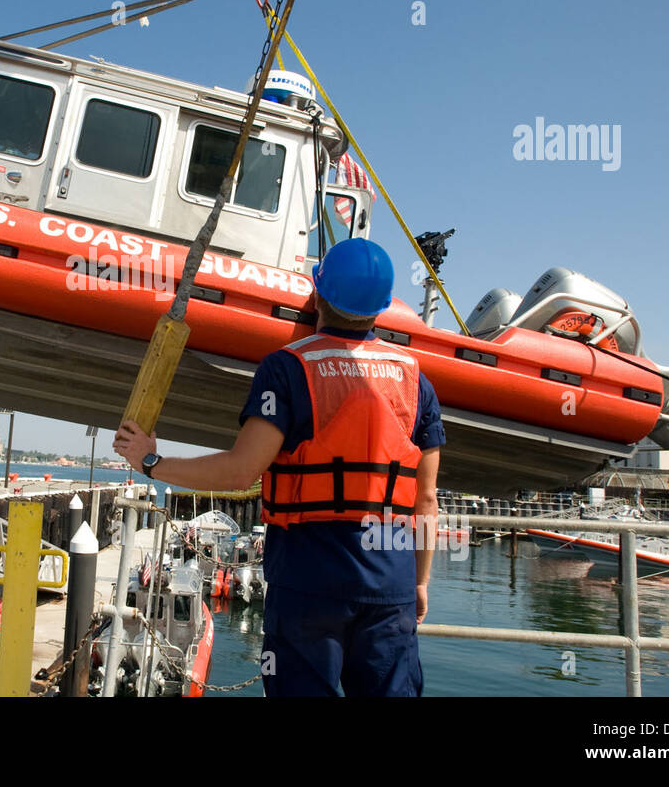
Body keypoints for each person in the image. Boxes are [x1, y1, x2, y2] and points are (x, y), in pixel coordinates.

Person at [114, 237, 444, 697]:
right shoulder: (416, 381)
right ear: (382, 307)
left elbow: (239, 472)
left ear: (319, 294)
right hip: (390, 588)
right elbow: (426, 499)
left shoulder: (287, 369)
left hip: (307, 585)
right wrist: (421, 582)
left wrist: (151, 461)